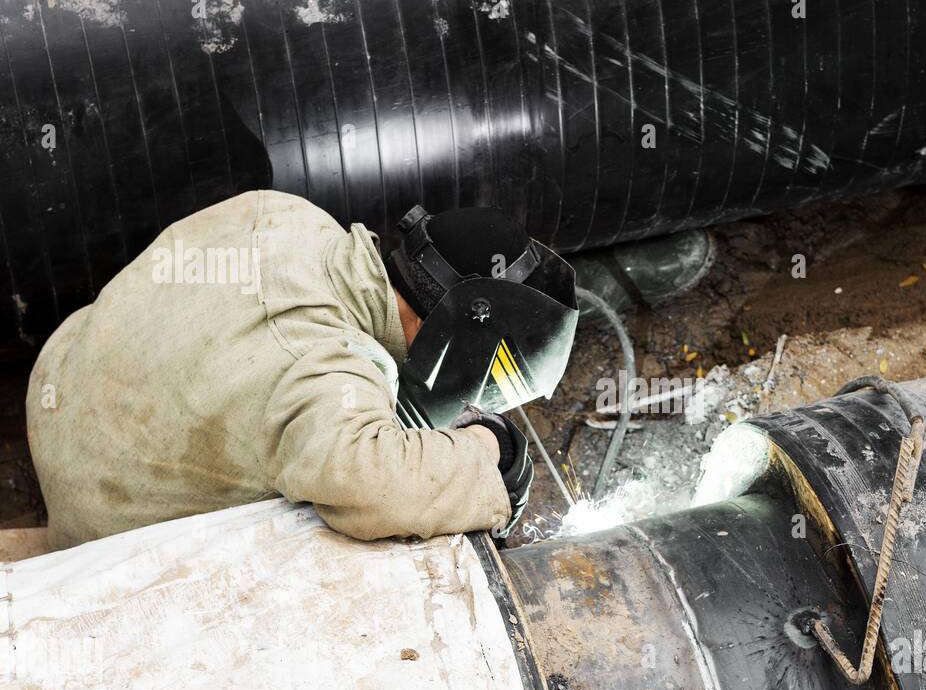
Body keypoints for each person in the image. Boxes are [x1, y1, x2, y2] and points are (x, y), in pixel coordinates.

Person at [25, 191, 546, 550]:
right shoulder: (330, 366)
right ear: (454, 324)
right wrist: (487, 452)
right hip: (99, 510)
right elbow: (374, 484)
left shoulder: (287, 213)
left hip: (62, 377)